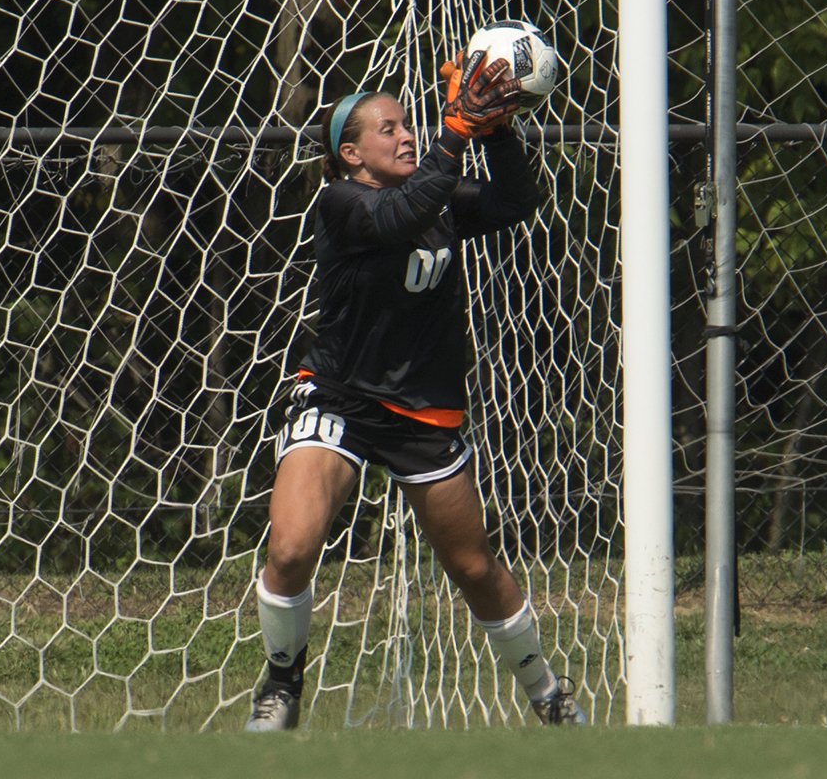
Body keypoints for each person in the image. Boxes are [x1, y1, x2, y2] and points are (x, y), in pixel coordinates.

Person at [245, 51, 586, 731]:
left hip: (422, 412)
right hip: (338, 397)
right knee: (290, 547)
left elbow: (516, 200)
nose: (407, 135)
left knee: (473, 564)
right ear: (350, 154)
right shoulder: (341, 203)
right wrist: (455, 134)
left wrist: (496, 129)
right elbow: (398, 217)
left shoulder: (435, 200)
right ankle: (282, 683)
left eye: (411, 125)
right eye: (389, 128)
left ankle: (548, 692)